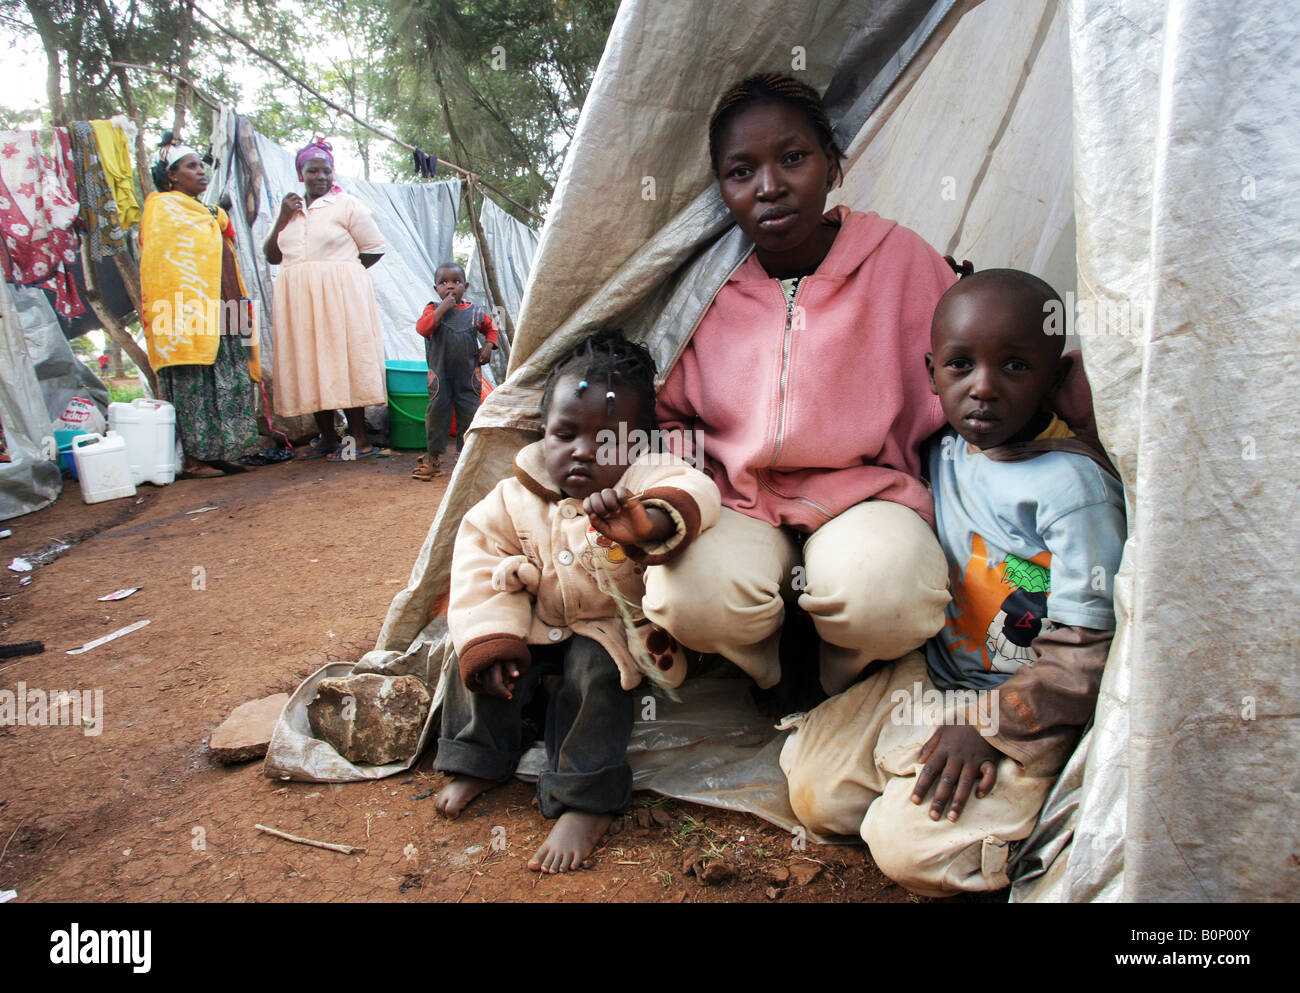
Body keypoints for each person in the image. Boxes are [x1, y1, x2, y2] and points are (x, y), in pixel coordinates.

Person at [779, 269, 1126, 896]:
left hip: (1028, 705)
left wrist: (994, 724)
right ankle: (923, 785)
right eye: (961, 366)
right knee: (814, 793)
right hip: (936, 677)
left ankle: (1016, 822)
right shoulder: (941, 450)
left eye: (1016, 367)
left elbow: (1088, 654)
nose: (984, 388)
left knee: (904, 850)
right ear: (931, 372)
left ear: (1054, 379)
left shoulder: (1074, 491)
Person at [644, 74, 955, 696]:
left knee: (887, 597)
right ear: (723, 191)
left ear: (833, 165)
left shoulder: (903, 261)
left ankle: (836, 677)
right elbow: (669, 413)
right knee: (692, 600)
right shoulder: (704, 285)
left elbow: (960, 382)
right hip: (737, 497)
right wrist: (684, 485)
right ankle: (771, 674)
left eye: (793, 158)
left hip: (867, 495)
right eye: (741, 171)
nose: (770, 186)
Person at [433, 331, 720, 873]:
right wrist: (493, 638)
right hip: (535, 620)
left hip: (607, 628)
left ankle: (585, 798)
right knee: (479, 656)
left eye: (609, 440)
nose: (584, 451)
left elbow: (694, 489)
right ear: (543, 432)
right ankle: (477, 756)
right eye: (566, 433)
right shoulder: (514, 493)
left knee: (597, 677)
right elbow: (477, 565)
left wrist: (648, 520)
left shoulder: (644, 480)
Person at [263, 136, 389, 461]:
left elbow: (373, 249)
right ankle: (327, 438)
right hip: (298, 299)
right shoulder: (288, 208)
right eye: (313, 171)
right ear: (300, 174)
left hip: (341, 295)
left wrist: (342, 275)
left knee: (345, 359)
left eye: (326, 171)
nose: (321, 177)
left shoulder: (347, 204)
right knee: (311, 361)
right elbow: (271, 256)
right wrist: (282, 216)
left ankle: (358, 440)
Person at [140, 143, 261, 478]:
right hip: (186, 309)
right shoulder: (161, 208)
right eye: (190, 166)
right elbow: (163, 261)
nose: (200, 171)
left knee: (230, 375)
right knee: (193, 382)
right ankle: (196, 459)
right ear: (171, 175)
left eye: (201, 165)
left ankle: (226, 451)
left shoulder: (210, 213)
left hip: (226, 301)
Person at [411, 262, 499, 480]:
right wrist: (443, 308)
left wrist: (488, 346)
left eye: (456, 282)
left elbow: (492, 327)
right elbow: (422, 328)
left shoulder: (475, 312)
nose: (450, 287)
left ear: (465, 286)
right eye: (443, 283)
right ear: (436, 289)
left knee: (469, 415)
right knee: (436, 415)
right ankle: (433, 459)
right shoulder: (432, 309)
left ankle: (466, 460)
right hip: (440, 377)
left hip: (468, 377)